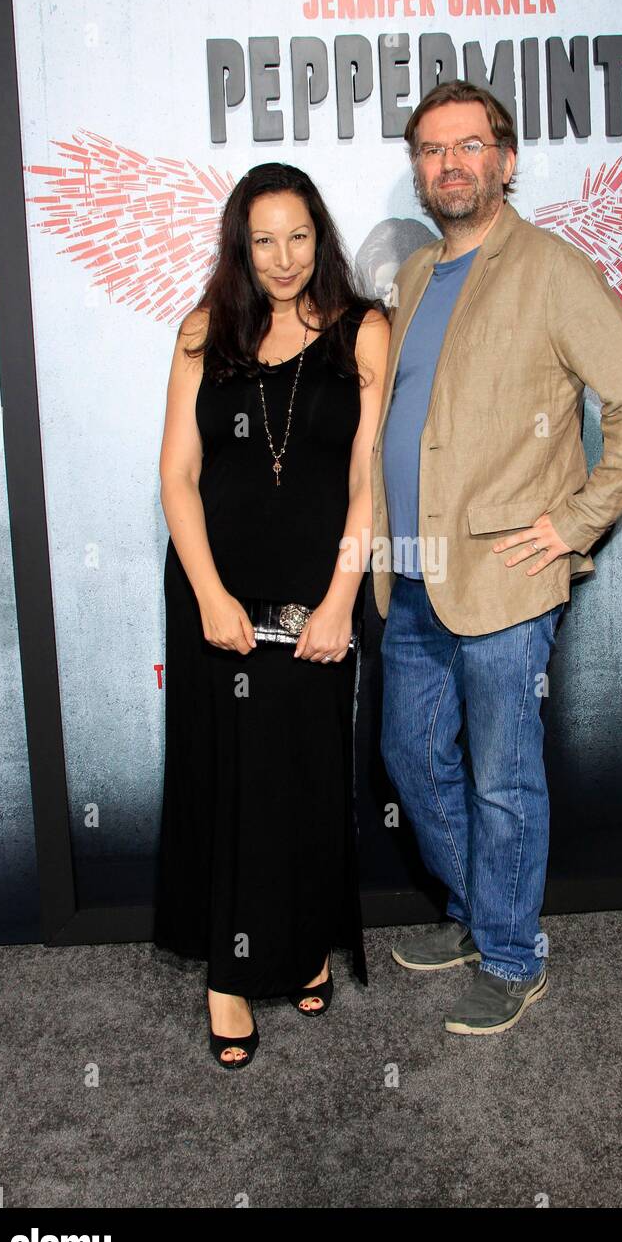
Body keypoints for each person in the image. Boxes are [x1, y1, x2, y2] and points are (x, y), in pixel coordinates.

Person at [371, 81, 622, 1035]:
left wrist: (577, 520)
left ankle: (512, 955)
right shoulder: (421, 271)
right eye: (432, 149)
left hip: (507, 575)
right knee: (412, 758)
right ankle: (479, 913)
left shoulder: (549, 267)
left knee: (504, 779)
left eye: (470, 146)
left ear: (505, 160)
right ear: (419, 168)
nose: (451, 164)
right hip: (415, 571)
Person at [153, 162, 389, 1068]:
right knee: (231, 776)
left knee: (305, 771)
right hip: (217, 586)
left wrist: (339, 600)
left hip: (319, 594)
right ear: (239, 245)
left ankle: (299, 945)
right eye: (263, 240)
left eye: (298, 237)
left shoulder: (366, 332)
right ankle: (227, 974)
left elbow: (366, 478)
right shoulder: (204, 332)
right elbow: (177, 475)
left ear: (319, 237)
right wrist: (209, 594)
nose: (283, 258)